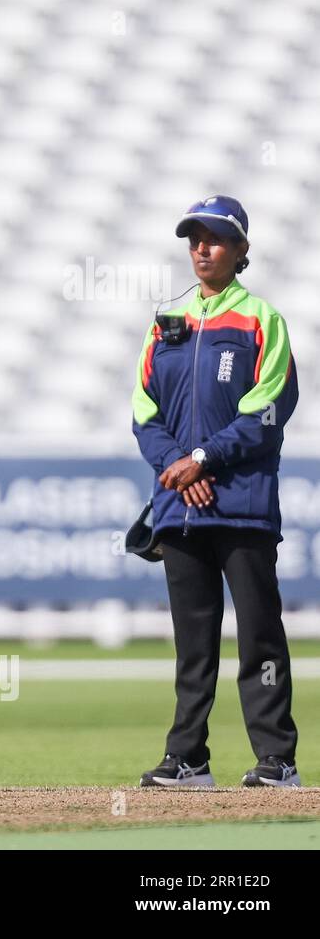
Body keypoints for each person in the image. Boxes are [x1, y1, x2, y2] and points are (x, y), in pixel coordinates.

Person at [132, 196, 301, 788]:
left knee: (259, 635)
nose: (202, 248)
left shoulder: (261, 319)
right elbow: (144, 412)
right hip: (180, 506)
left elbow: (268, 412)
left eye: (216, 238)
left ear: (241, 249)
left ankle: (277, 758)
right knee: (193, 644)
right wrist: (178, 465)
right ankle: (189, 758)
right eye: (195, 238)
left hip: (243, 503)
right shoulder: (167, 322)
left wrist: (202, 460)